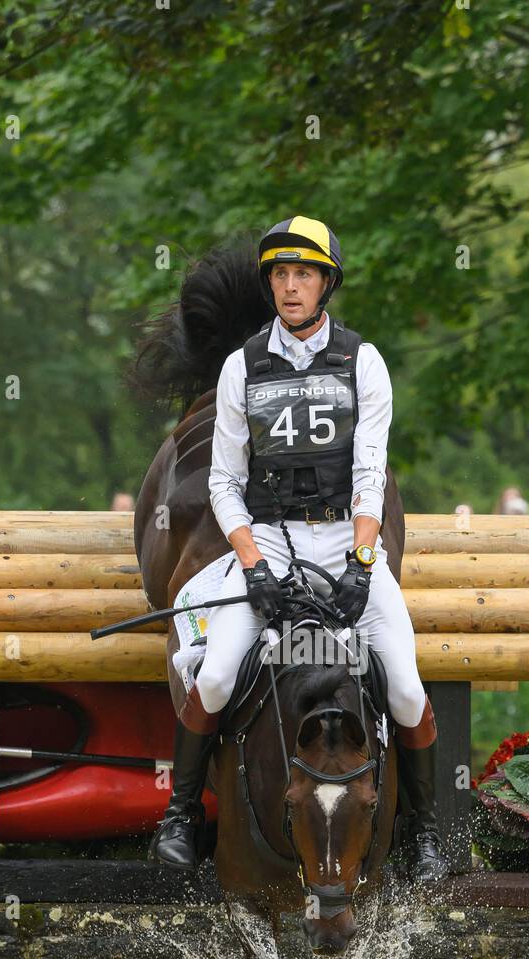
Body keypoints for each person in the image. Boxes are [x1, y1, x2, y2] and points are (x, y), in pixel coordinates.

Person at [149, 216, 449, 881]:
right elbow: (225, 481)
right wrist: (254, 569)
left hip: (348, 546)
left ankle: (423, 830)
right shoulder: (240, 368)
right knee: (219, 674)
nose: (291, 287)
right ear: (272, 284)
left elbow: (371, 472)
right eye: (281, 275)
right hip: (272, 549)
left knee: (403, 687)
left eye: (304, 275)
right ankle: (180, 816)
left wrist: (363, 566)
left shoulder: (363, 361)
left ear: (325, 284)